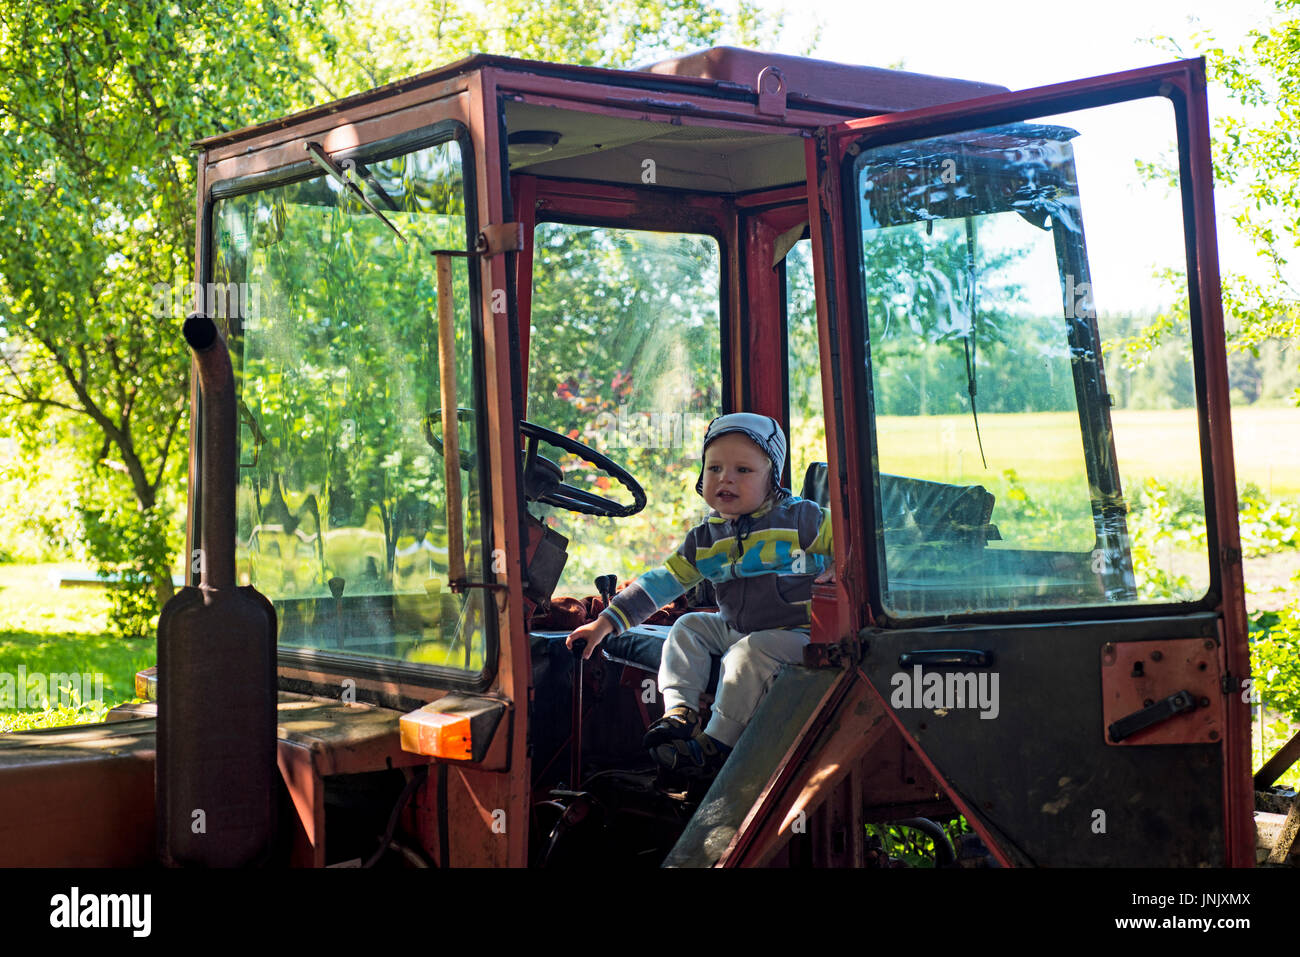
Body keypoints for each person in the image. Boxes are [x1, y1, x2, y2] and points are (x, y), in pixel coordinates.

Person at [566, 412, 834, 777]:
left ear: (772, 478)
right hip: (738, 627)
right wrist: (604, 624)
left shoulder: (801, 519)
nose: (726, 478)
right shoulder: (707, 539)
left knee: (748, 652)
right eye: (714, 468)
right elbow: (663, 582)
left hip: (800, 635)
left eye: (743, 470)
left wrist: (844, 563)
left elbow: (859, 539)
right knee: (689, 625)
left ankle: (715, 744)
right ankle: (679, 711)